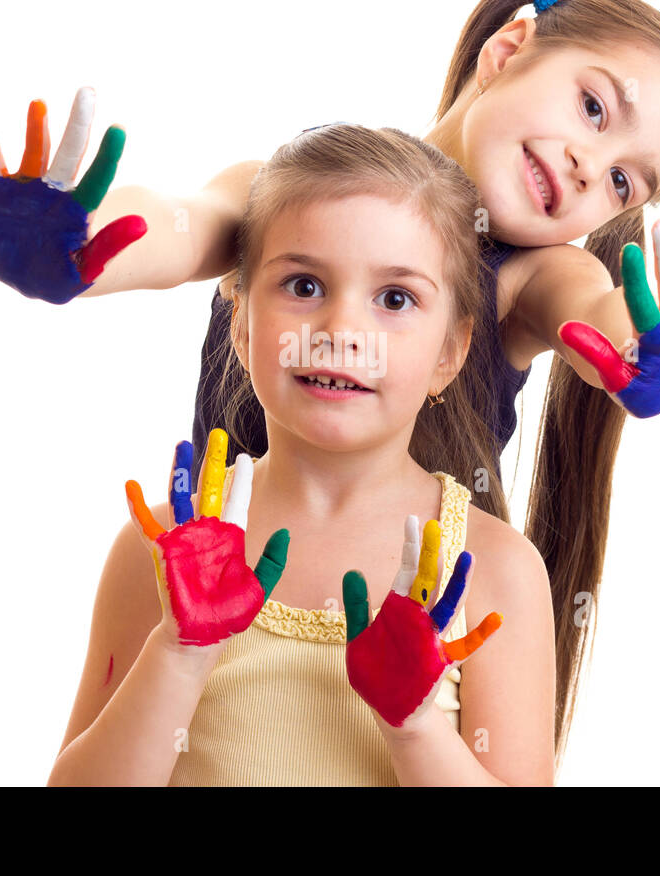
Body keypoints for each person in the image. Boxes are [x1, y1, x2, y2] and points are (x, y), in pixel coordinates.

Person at [0, 0, 660, 762]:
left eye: (624, 182)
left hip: (407, 645)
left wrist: (647, 348)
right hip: (212, 605)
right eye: (593, 107)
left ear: (452, 345)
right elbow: (179, 225)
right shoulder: (291, 195)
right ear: (510, 48)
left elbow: (593, 315)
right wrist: (80, 251)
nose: (593, 166)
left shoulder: (531, 275)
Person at [47, 125, 555, 785]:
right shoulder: (163, 551)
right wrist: (177, 654)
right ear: (242, 320)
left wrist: (417, 727)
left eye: (395, 299)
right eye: (305, 286)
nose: (343, 332)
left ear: (449, 353)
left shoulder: (493, 571)